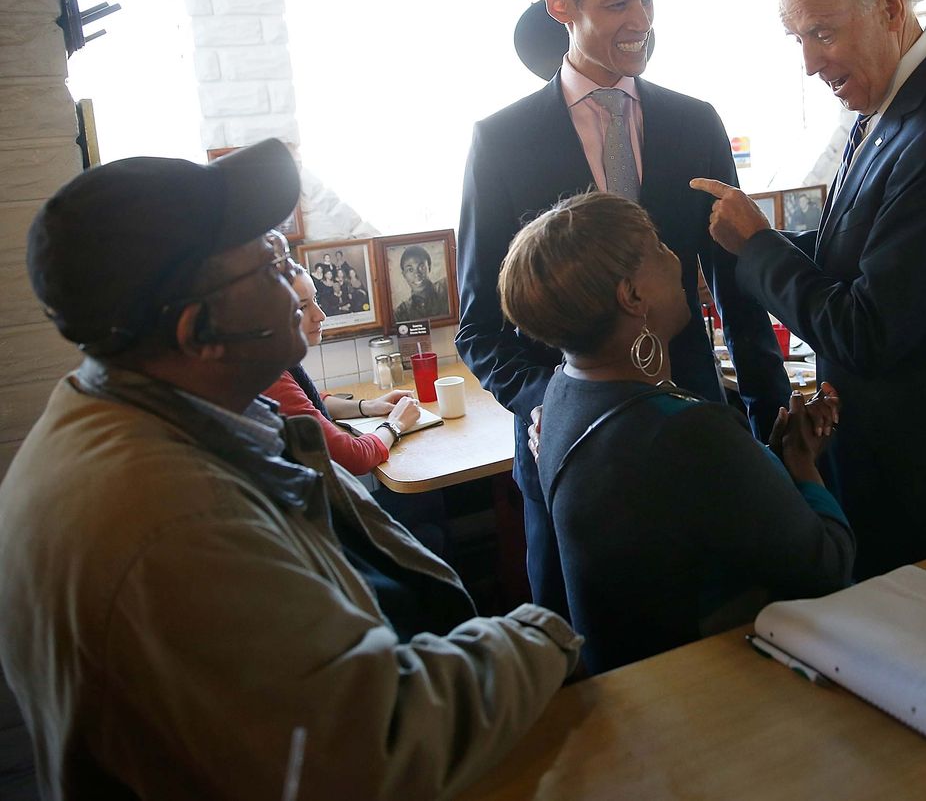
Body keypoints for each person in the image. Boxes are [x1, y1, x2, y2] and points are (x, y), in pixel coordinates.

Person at [0, 140, 581, 799]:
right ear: (198, 333)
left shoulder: (146, 414)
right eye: (273, 265)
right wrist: (544, 632)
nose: (297, 280)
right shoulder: (171, 522)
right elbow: (364, 747)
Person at [456, 0, 790, 617]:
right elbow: (479, 328)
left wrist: (769, 417)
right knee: (577, 636)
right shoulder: (501, 141)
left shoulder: (696, 122)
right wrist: (552, 399)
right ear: (560, 6)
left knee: (723, 622)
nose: (642, 21)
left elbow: (737, 292)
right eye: (617, 4)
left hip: (697, 420)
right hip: (568, 442)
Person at [691, 0, 926, 580]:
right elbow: (860, 248)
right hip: (880, 456)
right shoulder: (888, 112)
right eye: (799, 38)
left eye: (821, 32)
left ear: (890, 7)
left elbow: (869, 330)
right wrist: (750, 248)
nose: (810, 62)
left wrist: (759, 250)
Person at [498, 192, 854, 673]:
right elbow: (827, 566)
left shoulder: (560, 397)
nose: (677, 260)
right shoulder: (690, 433)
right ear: (632, 295)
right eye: (661, 249)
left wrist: (766, 458)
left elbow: (683, 514)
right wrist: (803, 464)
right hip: (707, 699)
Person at [263, 262, 419, 475]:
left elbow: (309, 401)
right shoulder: (271, 380)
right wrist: (395, 424)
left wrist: (368, 406)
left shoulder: (273, 364)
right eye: (301, 307)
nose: (320, 316)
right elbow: (354, 458)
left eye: (315, 300)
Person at [393, 244, 449, 322]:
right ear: (404, 275)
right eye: (410, 270)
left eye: (421, 267)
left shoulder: (447, 289)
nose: (417, 274)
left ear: (429, 267)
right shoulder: (401, 312)